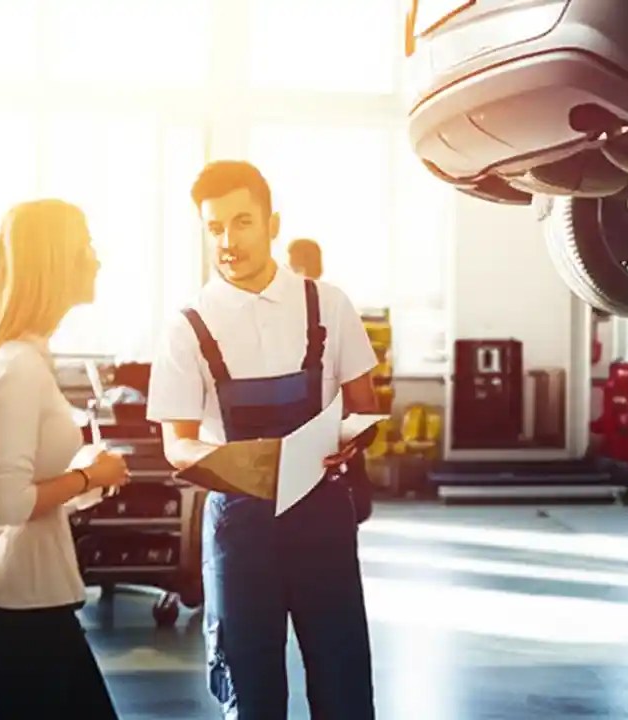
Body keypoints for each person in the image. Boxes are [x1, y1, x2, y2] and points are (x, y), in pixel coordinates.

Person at [147, 160, 378, 719]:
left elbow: (365, 408)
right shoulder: (187, 325)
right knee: (251, 694)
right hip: (239, 526)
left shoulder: (328, 304)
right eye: (215, 228)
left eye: (242, 222)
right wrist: (240, 462)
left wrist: (352, 438)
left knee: (344, 686)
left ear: (272, 224)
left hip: (323, 517)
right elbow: (177, 445)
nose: (228, 241)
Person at [0, 200, 130, 719]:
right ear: (54, 261)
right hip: (17, 609)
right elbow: (8, 504)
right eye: (85, 246)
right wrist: (88, 475)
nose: (96, 259)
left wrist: (83, 479)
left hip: (37, 602)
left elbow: (24, 488)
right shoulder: (17, 365)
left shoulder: (24, 357)